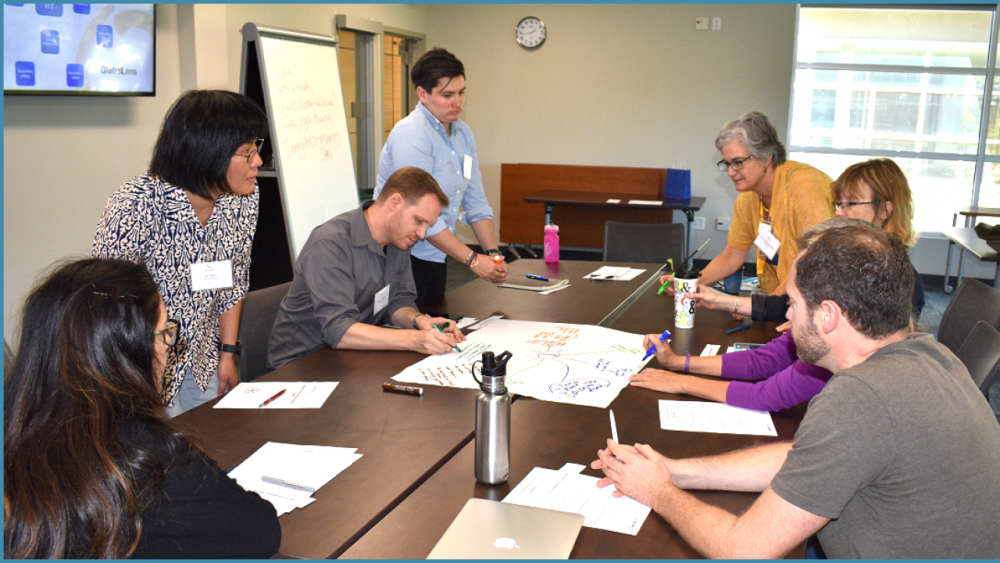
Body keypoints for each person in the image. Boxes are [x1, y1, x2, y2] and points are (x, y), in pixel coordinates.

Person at [593, 222, 1000, 558]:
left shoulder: (859, 399)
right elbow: (808, 456)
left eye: (793, 302)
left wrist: (658, 491)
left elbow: (741, 549)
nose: (787, 314)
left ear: (828, 316)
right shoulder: (929, 354)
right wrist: (675, 471)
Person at [3, 258, 280, 559]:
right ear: (131, 351)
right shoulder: (145, 455)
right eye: (164, 333)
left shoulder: (17, 429)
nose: (168, 347)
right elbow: (260, 531)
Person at [93, 90, 268, 416]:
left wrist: (227, 353)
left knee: (213, 436)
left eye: (256, 148)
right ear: (208, 153)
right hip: (144, 362)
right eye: (246, 153)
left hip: (201, 355)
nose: (257, 161)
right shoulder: (137, 202)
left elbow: (234, 281)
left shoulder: (244, 199)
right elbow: (106, 303)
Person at [267, 166, 466, 370]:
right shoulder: (330, 244)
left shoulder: (398, 241)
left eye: (427, 226)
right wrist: (414, 339)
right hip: (300, 365)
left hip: (350, 355)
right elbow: (338, 329)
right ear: (395, 202)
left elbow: (397, 300)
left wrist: (419, 321)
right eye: (419, 221)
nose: (422, 234)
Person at [692, 158, 925, 322]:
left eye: (850, 204)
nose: (839, 212)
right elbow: (792, 303)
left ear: (885, 210)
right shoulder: (843, 262)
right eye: (839, 203)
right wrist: (722, 301)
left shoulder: (903, 282)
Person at [374, 47, 507, 305]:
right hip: (404, 255)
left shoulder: (462, 134)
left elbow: (475, 199)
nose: (458, 102)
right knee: (405, 322)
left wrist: (493, 254)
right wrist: (473, 260)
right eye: (447, 95)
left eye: (461, 92)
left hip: (439, 254)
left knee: (436, 319)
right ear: (422, 94)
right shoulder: (413, 134)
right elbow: (421, 214)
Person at [661, 111, 833, 296]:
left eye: (737, 162)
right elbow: (731, 257)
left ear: (766, 157)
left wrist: (758, 306)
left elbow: (816, 265)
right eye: (727, 164)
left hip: (818, 298)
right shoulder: (747, 197)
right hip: (781, 299)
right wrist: (688, 283)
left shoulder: (805, 186)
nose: (730, 172)